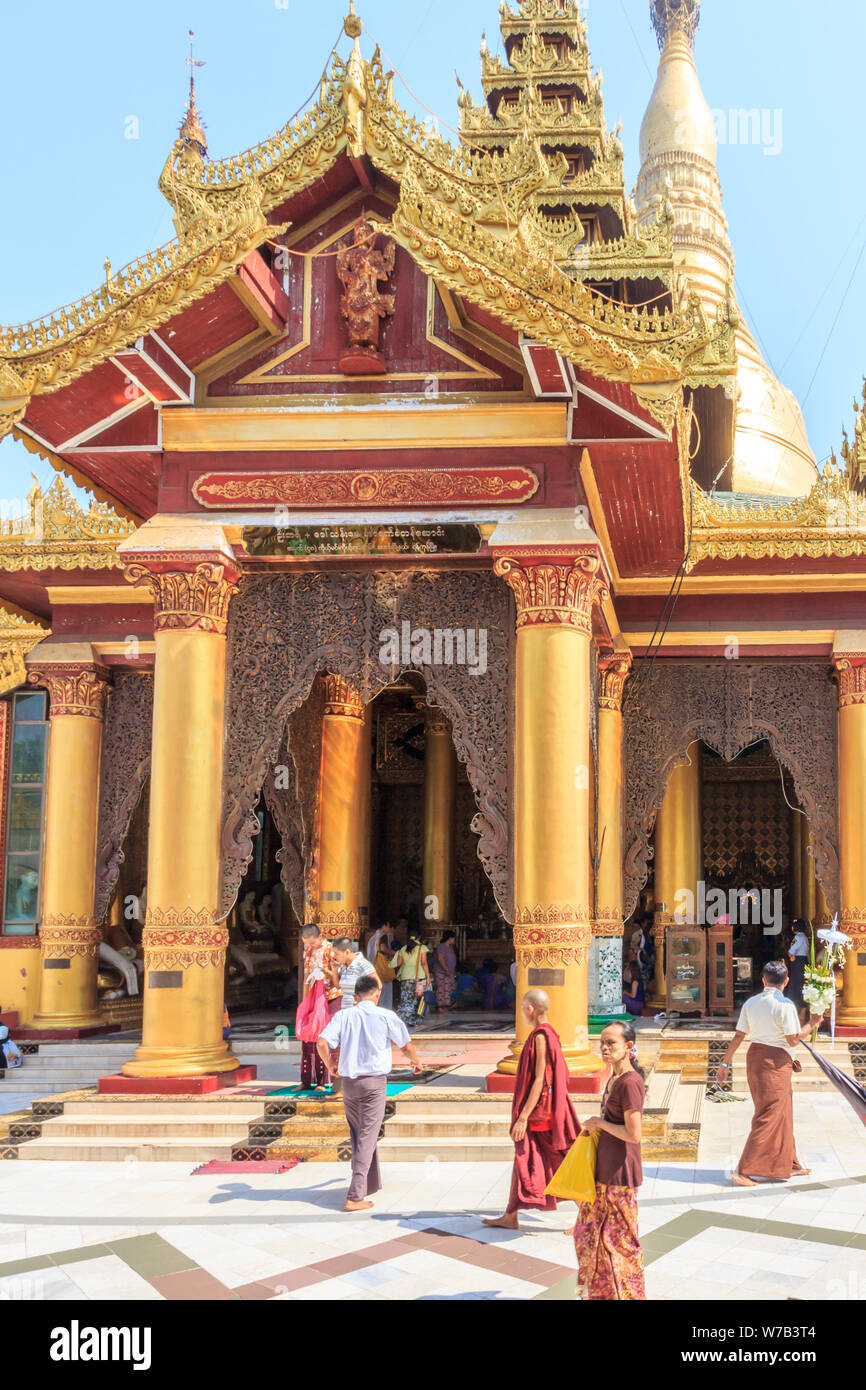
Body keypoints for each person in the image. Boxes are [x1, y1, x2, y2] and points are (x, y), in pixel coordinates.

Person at [317, 974, 424, 1211]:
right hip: (373, 1084)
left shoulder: (343, 1016)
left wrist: (330, 1066)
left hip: (349, 1084)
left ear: (355, 997)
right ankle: (355, 1195)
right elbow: (405, 1045)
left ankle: (369, 1183)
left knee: (360, 1133)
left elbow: (322, 1043)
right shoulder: (386, 1016)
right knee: (367, 1134)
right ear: (377, 994)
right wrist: (416, 1062)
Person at [715, 959, 823, 1187]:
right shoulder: (784, 1005)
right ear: (786, 981)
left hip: (756, 1058)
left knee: (783, 1112)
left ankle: (789, 1164)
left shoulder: (751, 1003)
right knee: (768, 1114)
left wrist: (724, 1064)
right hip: (774, 1063)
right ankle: (743, 1170)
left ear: (763, 980)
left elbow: (738, 1036)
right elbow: (793, 1038)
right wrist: (812, 1023)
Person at [483, 989, 579, 1230]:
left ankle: (588, 1213)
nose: (522, 1013)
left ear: (530, 1009)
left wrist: (523, 1117)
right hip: (544, 1111)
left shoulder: (540, 1037)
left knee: (558, 1163)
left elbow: (539, 1080)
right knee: (524, 1159)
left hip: (541, 1115)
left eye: (522, 1008)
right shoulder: (551, 1034)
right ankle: (510, 1215)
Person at [573, 1021, 646, 1301]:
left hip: (619, 1175)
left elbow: (634, 1133)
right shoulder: (614, 1078)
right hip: (604, 1172)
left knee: (620, 1245)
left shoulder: (629, 1083)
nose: (604, 1047)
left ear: (628, 1047)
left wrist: (599, 1123)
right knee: (591, 1238)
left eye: (611, 1043)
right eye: (602, 1041)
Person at [299, 924, 340, 1092]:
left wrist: (326, 974)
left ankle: (325, 1081)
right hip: (312, 998)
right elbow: (306, 976)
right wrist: (304, 1003)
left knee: (324, 1037)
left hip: (329, 997)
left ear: (321, 936)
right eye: (307, 943)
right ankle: (307, 1080)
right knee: (308, 1037)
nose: (310, 946)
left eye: (313, 943)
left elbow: (337, 978)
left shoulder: (331, 950)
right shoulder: (307, 951)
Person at [389, 934, 431, 1026]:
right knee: (418, 998)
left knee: (406, 998)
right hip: (419, 977)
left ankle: (405, 1018)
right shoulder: (422, 948)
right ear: (419, 937)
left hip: (406, 977)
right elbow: (424, 963)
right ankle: (413, 1020)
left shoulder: (403, 948)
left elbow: (399, 963)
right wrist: (428, 976)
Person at [331, 938, 378, 1010]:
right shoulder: (344, 966)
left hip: (360, 1010)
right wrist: (335, 971)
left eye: (337, 954)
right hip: (346, 1009)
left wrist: (371, 1005)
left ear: (347, 952)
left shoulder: (362, 964)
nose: (334, 956)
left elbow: (378, 985)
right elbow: (338, 986)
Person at [366, 917, 394, 1010]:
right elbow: (383, 949)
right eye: (389, 926)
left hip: (373, 967)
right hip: (382, 967)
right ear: (384, 925)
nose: (389, 929)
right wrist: (396, 953)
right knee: (385, 990)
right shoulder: (383, 936)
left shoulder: (372, 937)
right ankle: (384, 1010)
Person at [787, 919, 810, 1022]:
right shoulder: (805, 937)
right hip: (804, 961)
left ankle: (799, 1011)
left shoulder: (797, 937)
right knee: (802, 984)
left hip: (798, 962)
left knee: (796, 985)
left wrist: (791, 956)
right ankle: (802, 1010)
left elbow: (791, 952)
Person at [431, 932, 457, 1011]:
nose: (454, 940)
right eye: (453, 938)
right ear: (450, 938)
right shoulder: (442, 947)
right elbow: (440, 958)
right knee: (442, 989)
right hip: (441, 972)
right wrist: (446, 969)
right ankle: (440, 1007)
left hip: (449, 972)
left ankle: (445, 1005)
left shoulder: (450, 947)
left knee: (449, 988)